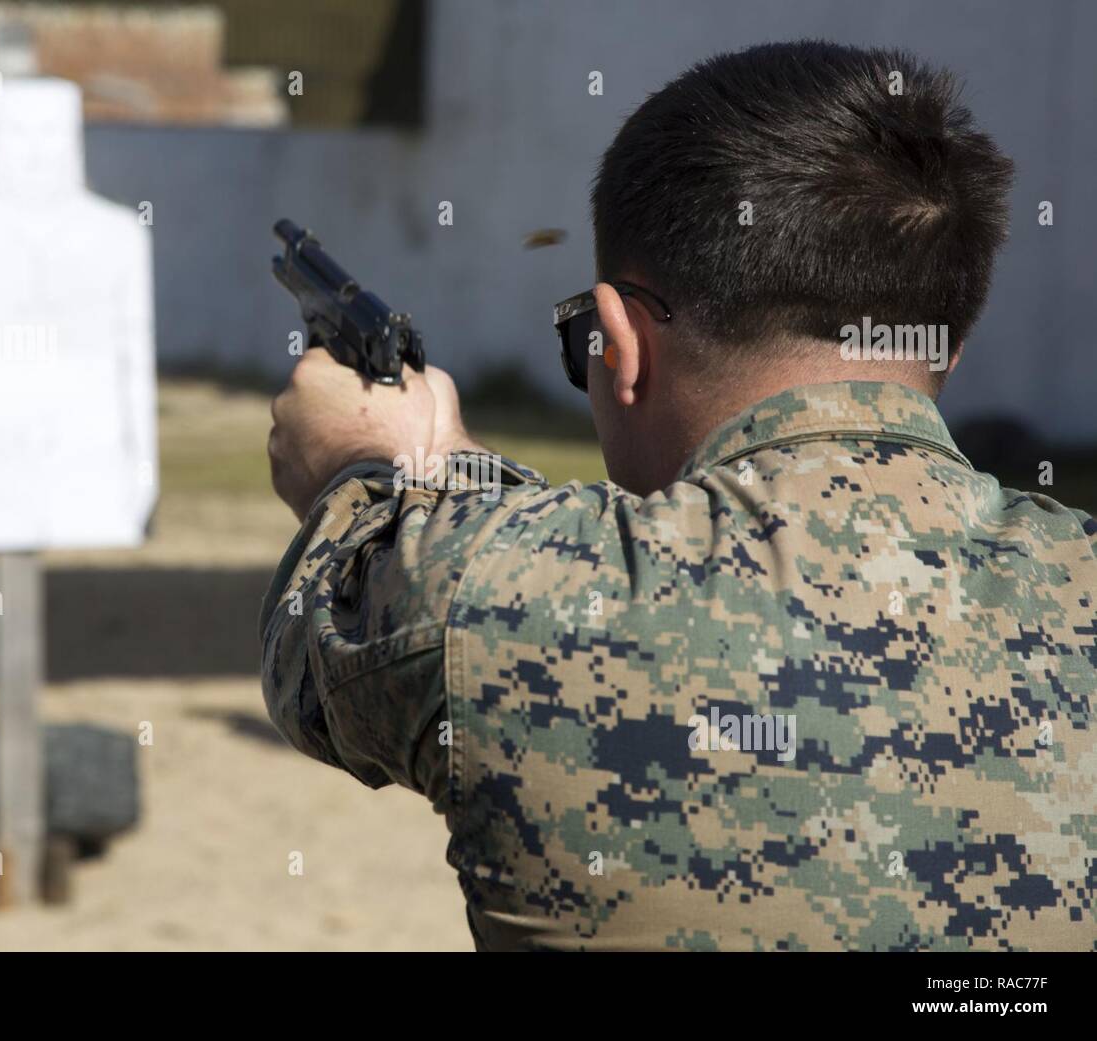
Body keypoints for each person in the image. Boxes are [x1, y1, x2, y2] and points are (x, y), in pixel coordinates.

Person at [260, 41, 1097, 951]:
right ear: (947, 346)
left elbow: (327, 642)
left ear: (620, 344)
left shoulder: (486, 597)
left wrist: (356, 463)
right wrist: (452, 466)